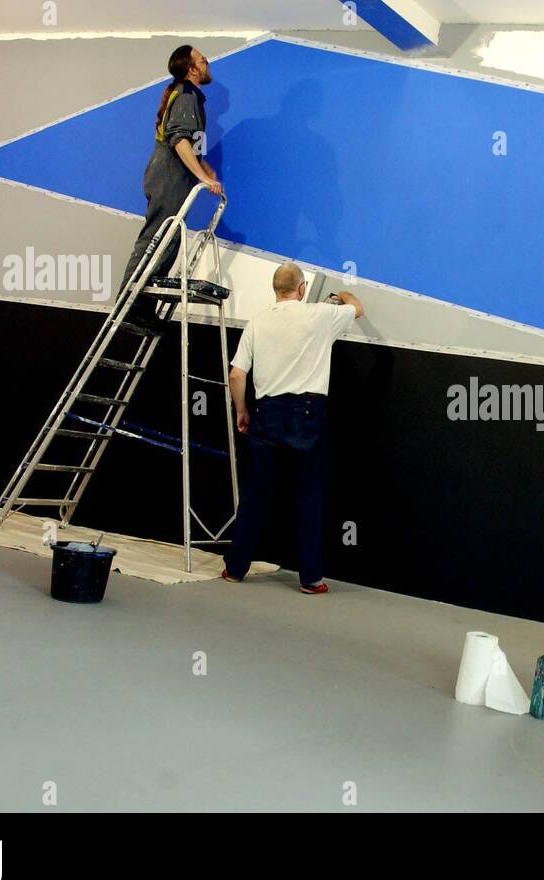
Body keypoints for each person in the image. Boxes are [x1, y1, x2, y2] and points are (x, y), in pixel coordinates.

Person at [220, 264, 365, 594]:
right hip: (308, 414)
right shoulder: (319, 315)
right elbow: (357, 308)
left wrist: (243, 411)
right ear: (301, 290)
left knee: (255, 495)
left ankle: (235, 568)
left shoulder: (258, 321)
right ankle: (310, 578)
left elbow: (237, 375)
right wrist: (341, 295)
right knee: (308, 495)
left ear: (275, 290)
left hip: (266, 413)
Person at [118, 45, 223, 326]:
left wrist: (206, 168)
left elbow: (190, 143)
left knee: (169, 240)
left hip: (171, 178)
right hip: (168, 177)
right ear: (191, 69)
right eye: (202, 60)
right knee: (157, 239)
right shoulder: (187, 97)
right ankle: (129, 305)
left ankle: (141, 306)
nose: (206, 62)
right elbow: (179, 140)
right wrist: (202, 177)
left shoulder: (190, 98)